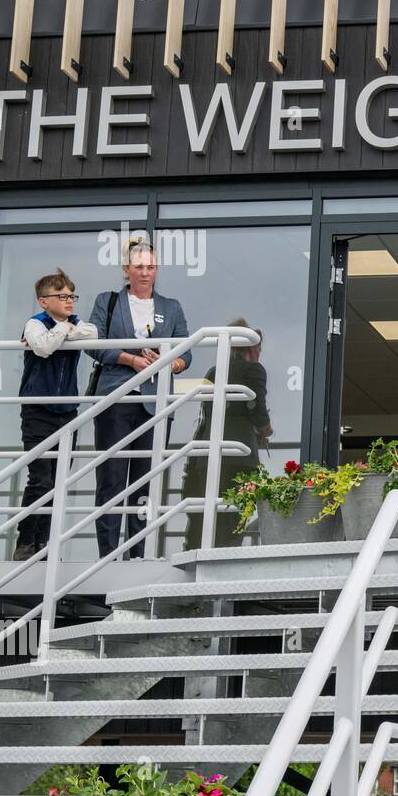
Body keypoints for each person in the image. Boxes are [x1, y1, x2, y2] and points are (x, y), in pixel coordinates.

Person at [88, 238, 191, 560]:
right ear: (126, 270)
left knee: (145, 482)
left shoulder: (171, 306)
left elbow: (185, 352)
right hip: (117, 398)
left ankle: (137, 553)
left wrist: (171, 361)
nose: (145, 273)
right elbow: (93, 345)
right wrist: (129, 359)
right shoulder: (108, 302)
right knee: (112, 480)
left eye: (151, 267)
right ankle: (107, 553)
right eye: (139, 267)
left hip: (154, 402)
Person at [14, 268, 98, 561]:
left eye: (72, 296)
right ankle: (26, 542)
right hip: (38, 411)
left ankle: (45, 546)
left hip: (66, 412)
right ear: (43, 301)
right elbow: (43, 346)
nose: (70, 301)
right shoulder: (34, 323)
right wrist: (64, 330)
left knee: (59, 481)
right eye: (62, 296)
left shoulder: (72, 322)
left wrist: (67, 329)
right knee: (41, 480)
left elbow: (93, 333)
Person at [181, 318, 272, 550]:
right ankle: (225, 553)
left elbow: (207, 410)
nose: (260, 354)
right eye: (258, 348)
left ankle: (199, 550)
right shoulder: (254, 370)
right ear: (251, 348)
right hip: (237, 454)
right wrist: (265, 429)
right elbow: (257, 407)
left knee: (205, 515)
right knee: (233, 514)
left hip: (205, 452)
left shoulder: (214, 371)